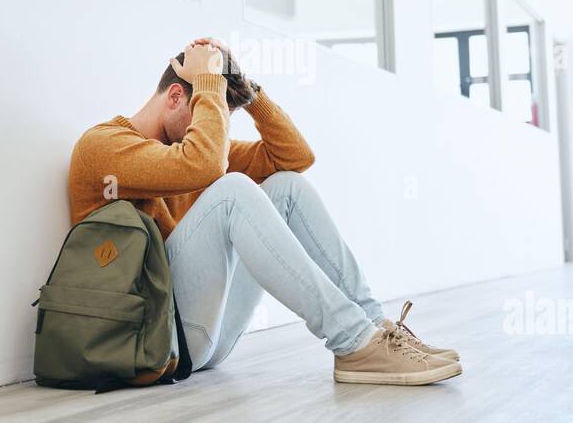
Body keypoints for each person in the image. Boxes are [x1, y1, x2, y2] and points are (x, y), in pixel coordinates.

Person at [68, 38, 461, 385]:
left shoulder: (199, 149)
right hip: (155, 337)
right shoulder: (104, 145)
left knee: (286, 187)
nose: (214, 128)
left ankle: (377, 332)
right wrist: (209, 86)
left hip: (205, 338)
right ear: (174, 97)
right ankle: (352, 341)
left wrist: (249, 92)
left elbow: (295, 157)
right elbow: (204, 165)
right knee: (233, 189)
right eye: (206, 111)